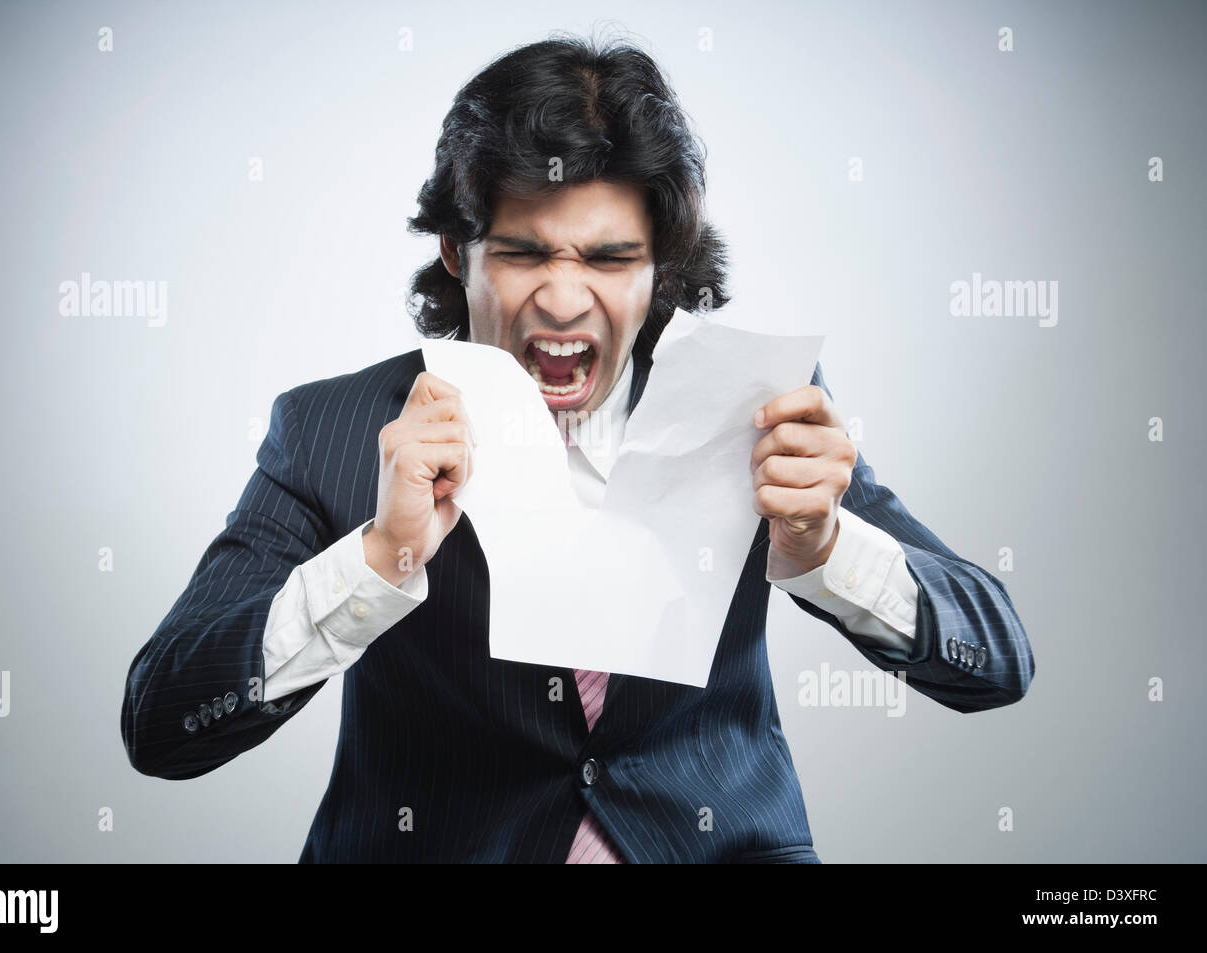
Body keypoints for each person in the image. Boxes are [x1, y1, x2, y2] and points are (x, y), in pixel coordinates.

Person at [120, 33, 1033, 863]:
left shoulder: (758, 410)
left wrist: (828, 550)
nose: (563, 301)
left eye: (606, 259)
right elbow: (163, 722)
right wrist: (374, 560)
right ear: (456, 248)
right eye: (524, 254)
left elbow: (996, 661)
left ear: (661, 262)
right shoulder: (333, 428)